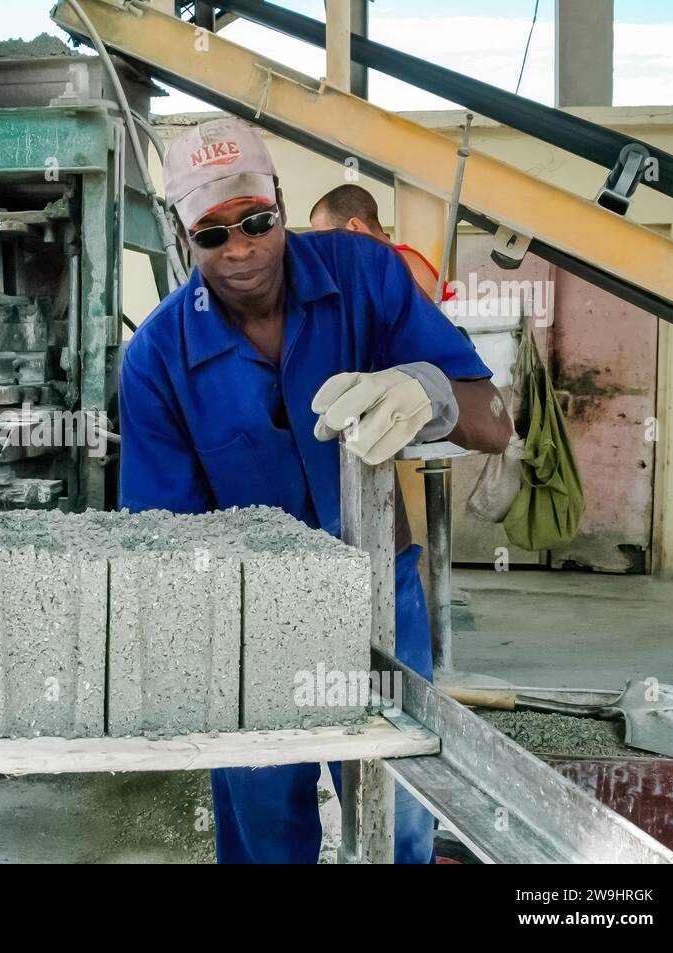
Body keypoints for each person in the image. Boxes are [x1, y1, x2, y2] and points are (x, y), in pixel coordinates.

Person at [119, 118, 511, 864]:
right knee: (267, 829)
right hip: (245, 623)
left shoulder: (365, 274)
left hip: (378, 598)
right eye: (212, 233)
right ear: (181, 236)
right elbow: (164, 540)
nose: (239, 248)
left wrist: (428, 389)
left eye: (256, 221)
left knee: (402, 817)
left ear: (281, 203)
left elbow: (495, 422)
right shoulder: (156, 358)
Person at [309, 183, 455, 303]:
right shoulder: (380, 264)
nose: (324, 249)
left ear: (355, 227)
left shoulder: (401, 261)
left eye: (327, 239)